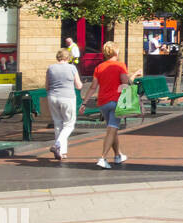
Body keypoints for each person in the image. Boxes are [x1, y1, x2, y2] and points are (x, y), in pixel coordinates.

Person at [80, 41, 141, 169]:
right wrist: (134, 77)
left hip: (102, 102)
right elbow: (125, 84)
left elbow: (92, 87)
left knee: (112, 129)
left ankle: (118, 155)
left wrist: (84, 102)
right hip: (116, 102)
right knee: (111, 130)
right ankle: (102, 158)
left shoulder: (99, 67)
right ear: (115, 52)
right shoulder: (120, 66)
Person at [45, 48, 83, 161]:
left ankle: (62, 152)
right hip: (67, 97)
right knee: (69, 124)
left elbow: (47, 86)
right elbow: (79, 86)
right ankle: (57, 144)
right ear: (68, 57)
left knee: (58, 124)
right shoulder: (72, 68)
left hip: (53, 97)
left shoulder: (50, 68)